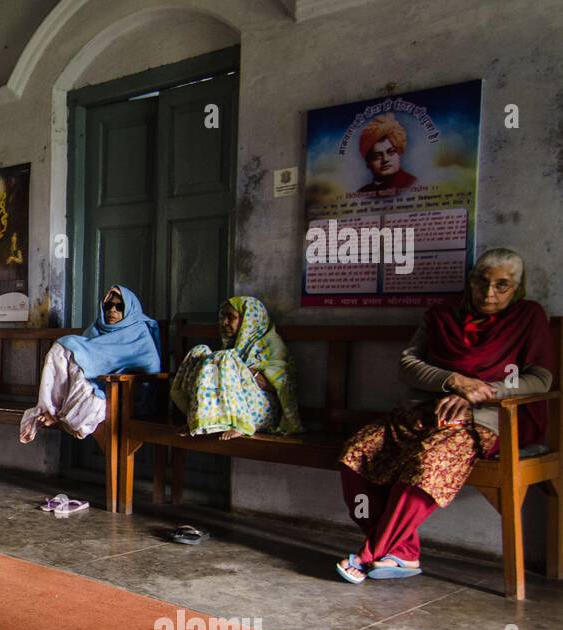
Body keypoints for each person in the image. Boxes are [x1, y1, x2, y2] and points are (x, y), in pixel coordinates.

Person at [336, 248, 553, 583]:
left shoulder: (528, 316)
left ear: (517, 288)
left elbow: (540, 379)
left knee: (431, 459)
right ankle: (403, 553)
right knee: (357, 452)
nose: (489, 293)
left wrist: (481, 392)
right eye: (482, 282)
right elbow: (408, 365)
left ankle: (370, 553)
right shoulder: (442, 315)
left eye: (502, 285)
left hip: (486, 419)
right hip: (423, 413)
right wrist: (453, 380)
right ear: (470, 281)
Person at [19, 285, 160, 444]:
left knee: (88, 398)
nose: (112, 310)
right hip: (93, 387)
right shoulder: (96, 330)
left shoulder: (139, 333)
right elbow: (82, 364)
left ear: (130, 310)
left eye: (119, 306)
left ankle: (61, 417)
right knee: (64, 349)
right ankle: (48, 411)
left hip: (122, 396)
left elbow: (151, 369)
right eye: (108, 306)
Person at [170, 296, 303, 440]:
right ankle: (200, 420)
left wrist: (243, 370)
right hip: (233, 407)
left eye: (230, 317)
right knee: (200, 351)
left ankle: (243, 425)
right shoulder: (234, 346)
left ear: (248, 320)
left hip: (261, 411)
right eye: (223, 317)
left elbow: (283, 387)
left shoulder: (272, 345)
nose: (224, 322)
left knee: (223, 358)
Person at [356, 113, 418, 194]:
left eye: (391, 152)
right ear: (368, 163)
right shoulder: (362, 193)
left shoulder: (413, 185)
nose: (385, 159)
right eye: (377, 156)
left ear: (399, 154)